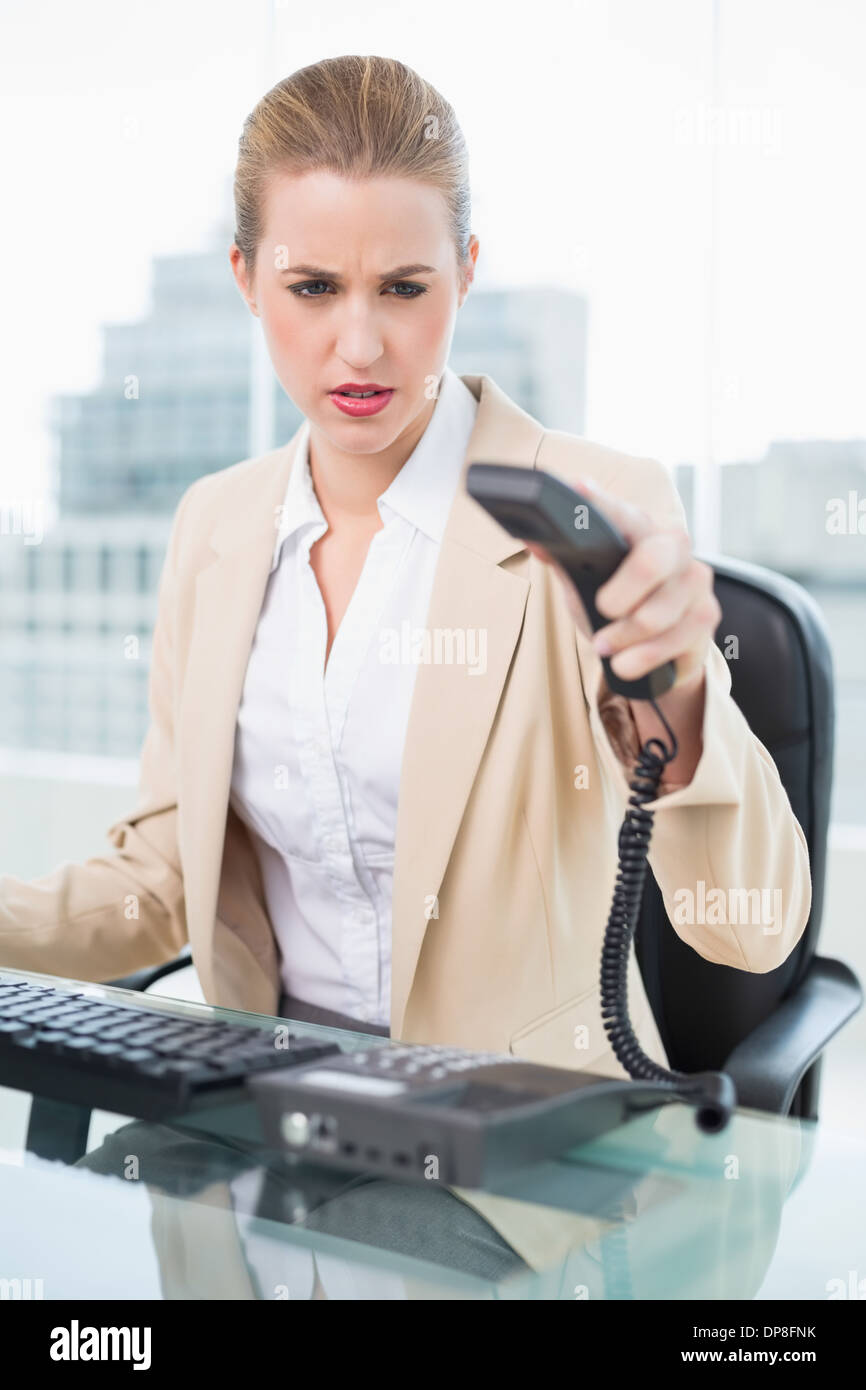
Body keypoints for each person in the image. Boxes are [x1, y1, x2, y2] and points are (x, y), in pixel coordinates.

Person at [1, 55, 811, 1282]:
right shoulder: (214, 530)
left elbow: (748, 934)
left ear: (466, 275)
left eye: (406, 285)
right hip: (249, 1146)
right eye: (312, 286)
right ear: (245, 279)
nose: (360, 341)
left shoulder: (593, 514)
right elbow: (165, 878)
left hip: (518, 1181)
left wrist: (683, 700)